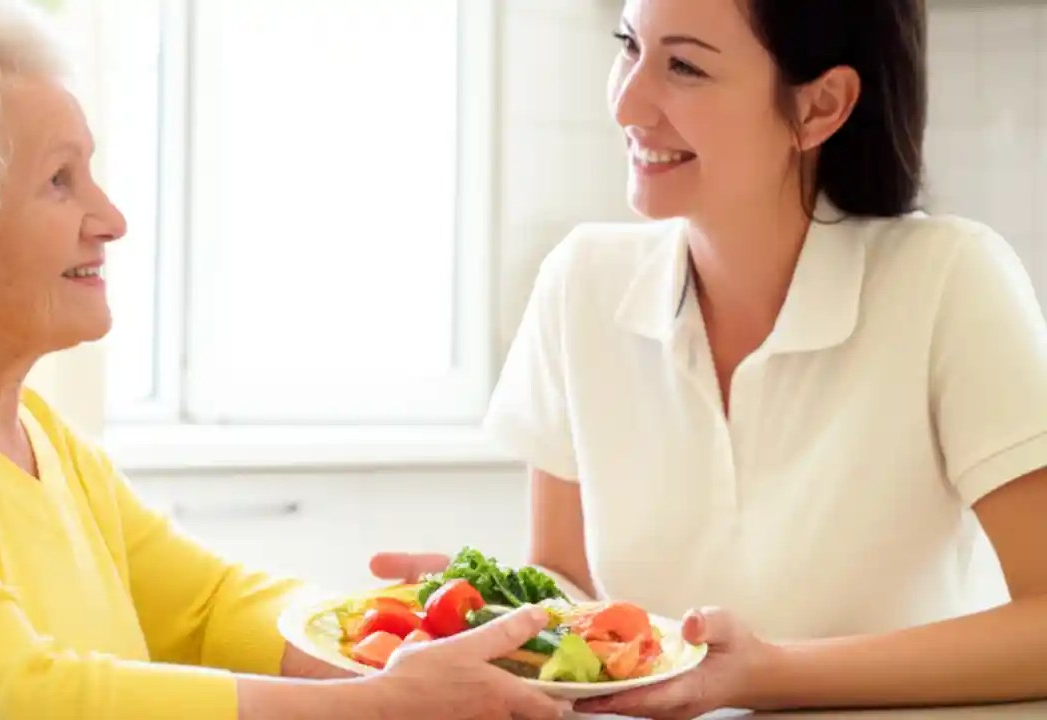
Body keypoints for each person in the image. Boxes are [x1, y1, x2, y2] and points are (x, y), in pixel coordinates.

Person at [0, 6, 566, 720]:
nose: (110, 218)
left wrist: (427, 627)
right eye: (57, 181)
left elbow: (208, 608)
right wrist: (379, 704)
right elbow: (6, 700)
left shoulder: (27, 428)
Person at [377, 0, 1047, 717]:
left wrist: (764, 673)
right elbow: (571, 586)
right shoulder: (583, 281)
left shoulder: (948, 278)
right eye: (628, 46)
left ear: (820, 106)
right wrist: (494, 611)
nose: (628, 102)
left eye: (685, 66)